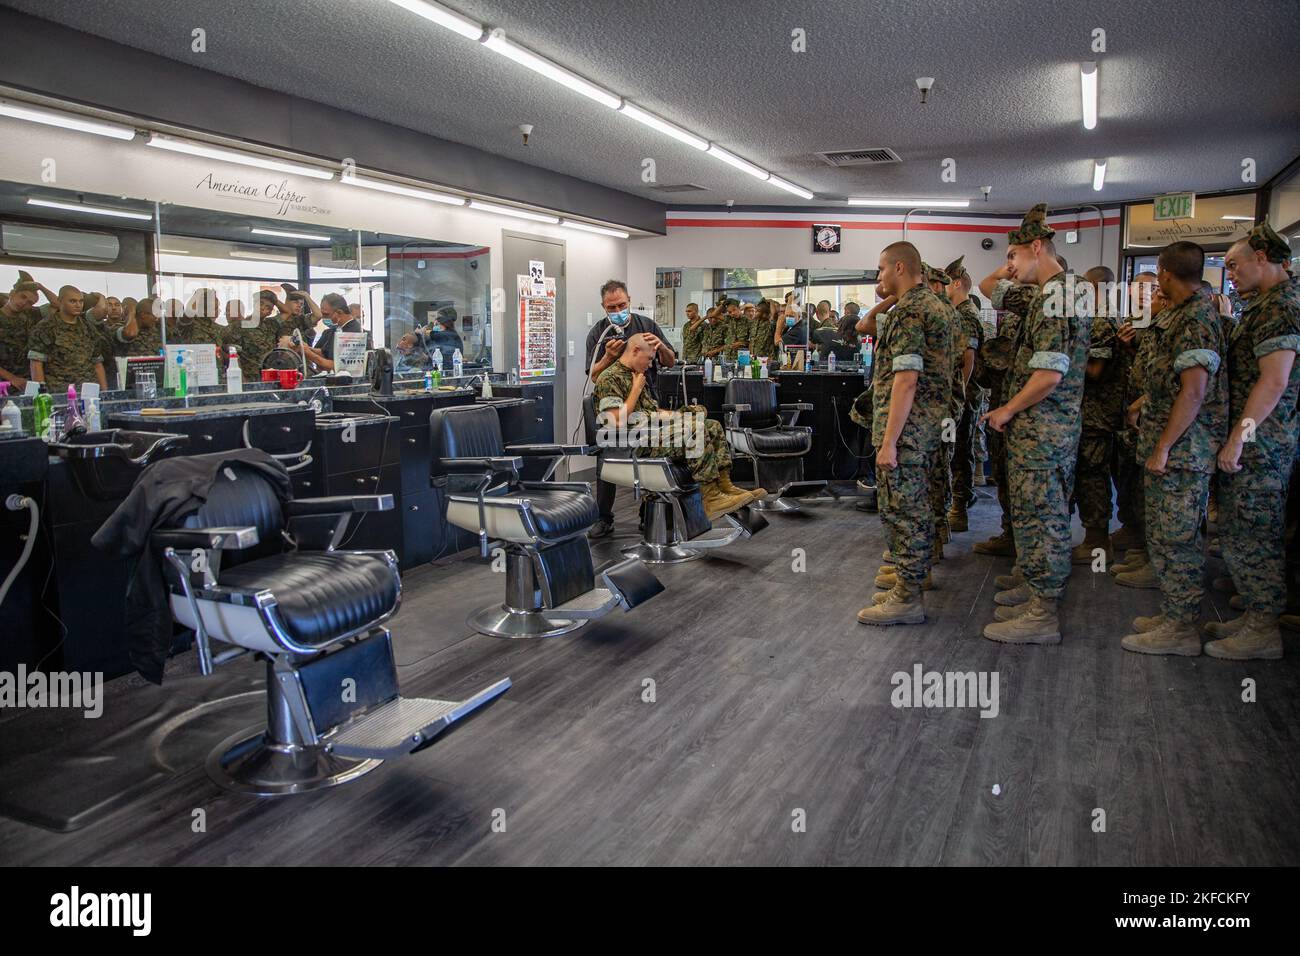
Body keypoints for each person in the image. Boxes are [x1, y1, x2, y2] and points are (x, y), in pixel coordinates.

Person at [980, 203, 1091, 645]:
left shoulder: (1056, 295)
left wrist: (1007, 409)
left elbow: (1049, 373)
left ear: (1037, 247)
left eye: (1013, 257)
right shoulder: (1058, 290)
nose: (1007, 267)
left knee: (1043, 518)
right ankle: (1035, 588)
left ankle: (1042, 612)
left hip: (1043, 431)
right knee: (1035, 515)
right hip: (1047, 430)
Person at [1119, 241, 1227, 656]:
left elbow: (1195, 391)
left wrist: (1163, 447)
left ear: (1164, 272)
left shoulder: (1197, 318)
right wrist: (1143, 403)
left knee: (1178, 540)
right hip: (1175, 448)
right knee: (1165, 536)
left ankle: (1181, 628)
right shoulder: (1185, 314)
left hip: (1184, 452)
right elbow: (1175, 379)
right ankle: (1173, 615)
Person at [1209, 222, 1300, 659]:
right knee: (1243, 530)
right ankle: (1256, 617)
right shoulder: (1264, 305)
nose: (1231, 275)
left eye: (1234, 265)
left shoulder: (1281, 306)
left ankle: (1263, 629)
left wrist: (1238, 440)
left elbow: (1274, 381)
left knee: (1255, 532)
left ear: (1261, 258)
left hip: (1263, 444)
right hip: (1259, 441)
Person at [858, 241, 952, 626]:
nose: (878, 277)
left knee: (903, 511)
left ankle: (906, 597)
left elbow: (907, 379)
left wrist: (890, 442)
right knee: (917, 508)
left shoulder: (911, 310)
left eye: (881, 269)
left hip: (907, 432)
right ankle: (912, 579)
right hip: (927, 428)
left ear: (899, 268)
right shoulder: (935, 305)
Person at [593, 333, 754, 519]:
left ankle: (725, 487)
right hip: (632, 445)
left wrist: (682, 414)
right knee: (694, 430)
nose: (650, 364)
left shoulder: (636, 374)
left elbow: (651, 413)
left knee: (711, 425)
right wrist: (636, 390)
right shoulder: (609, 378)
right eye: (649, 359)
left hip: (651, 435)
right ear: (636, 350)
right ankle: (711, 497)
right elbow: (616, 421)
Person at [584, 278, 676, 538]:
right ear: (603, 307)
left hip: (647, 399)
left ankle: (649, 514)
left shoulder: (647, 326)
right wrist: (608, 357)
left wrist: (661, 347)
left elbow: (670, 362)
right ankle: (604, 517)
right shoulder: (597, 333)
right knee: (608, 452)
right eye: (611, 307)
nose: (617, 311)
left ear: (629, 301)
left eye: (621, 305)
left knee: (654, 450)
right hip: (612, 401)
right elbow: (593, 375)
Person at [1069, 265, 1125, 565]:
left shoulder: (1102, 322)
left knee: (1093, 476)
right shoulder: (1101, 318)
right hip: (1091, 412)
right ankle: (1094, 538)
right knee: (1089, 474)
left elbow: (1096, 370)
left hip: (1096, 413)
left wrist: (1068, 355)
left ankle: (1097, 541)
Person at [921, 262, 960, 558]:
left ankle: (931, 545)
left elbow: (966, 359)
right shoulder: (940, 310)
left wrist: (956, 398)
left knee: (935, 472)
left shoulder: (941, 311)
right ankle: (935, 538)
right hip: (940, 405)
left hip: (939, 407)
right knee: (937, 470)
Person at [944, 257, 985, 532]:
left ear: (956, 283)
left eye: (946, 283)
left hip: (964, 396)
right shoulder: (955, 311)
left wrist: (957, 394)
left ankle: (959, 507)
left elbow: (968, 359)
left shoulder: (966, 314)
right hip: (958, 394)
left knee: (959, 450)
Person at [27, 285, 107, 393]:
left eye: (81, 301)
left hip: (88, 391)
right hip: (59, 391)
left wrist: (105, 392)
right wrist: (42, 395)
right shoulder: (46, 327)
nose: (78, 305)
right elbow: (36, 364)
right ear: (60, 301)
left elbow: (97, 363)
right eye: (73, 301)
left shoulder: (88, 327)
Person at [223, 290, 287, 380]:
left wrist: (274, 300)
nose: (262, 308)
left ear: (270, 312)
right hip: (250, 377)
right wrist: (241, 379)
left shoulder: (271, 324)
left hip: (271, 376)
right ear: (254, 304)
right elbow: (232, 355)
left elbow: (286, 312)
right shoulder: (239, 326)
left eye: (268, 307)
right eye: (260, 304)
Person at [0, 275, 43, 391]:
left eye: (30, 302)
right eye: (22, 297)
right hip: (4, 383)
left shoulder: (31, 317)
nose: (24, 303)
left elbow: (58, 305)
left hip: (25, 382)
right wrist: (12, 378)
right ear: (12, 293)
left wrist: (41, 287)